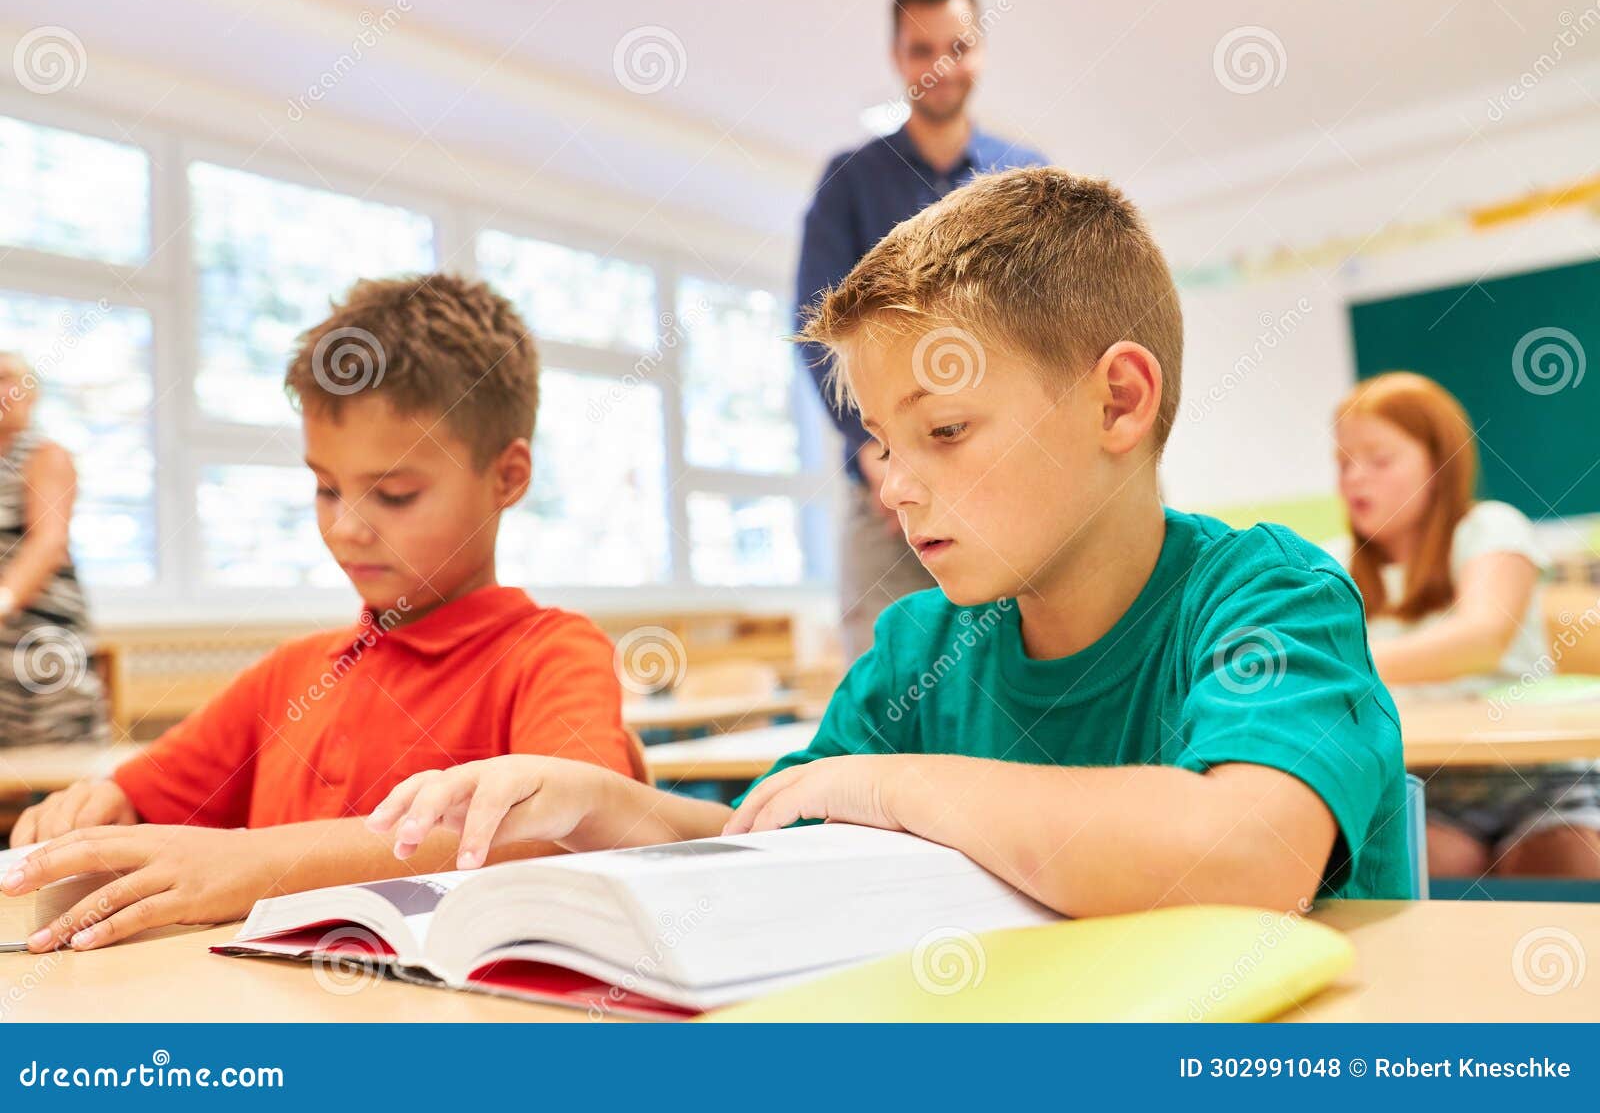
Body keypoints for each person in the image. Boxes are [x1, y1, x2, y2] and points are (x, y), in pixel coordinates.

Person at [369, 169, 1411, 912]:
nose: (896, 490)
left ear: (1118, 401)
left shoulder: (1271, 594)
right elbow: (786, 823)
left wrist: (892, 784)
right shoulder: (921, 646)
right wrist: (603, 809)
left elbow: (1241, 856)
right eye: (880, 442)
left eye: (946, 431)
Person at [2, 274, 646, 950]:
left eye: (393, 494)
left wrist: (258, 864)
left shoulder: (552, 654)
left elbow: (571, 835)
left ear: (508, 478)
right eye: (325, 488)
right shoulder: (291, 675)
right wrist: (97, 808)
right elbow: (138, 799)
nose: (345, 529)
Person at [796, 0, 1047, 657]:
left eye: (958, 47)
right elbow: (818, 331)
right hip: (882, 496)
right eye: (920, 50)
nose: (941, 65)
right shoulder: (849, 184)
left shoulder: (1025, 181)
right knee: (884, 694)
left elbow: (1049, 330)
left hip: (1002, 484)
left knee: (1017, 678)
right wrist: (879, 455)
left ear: (982, 52)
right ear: (896, 58)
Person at [1334, 371, 1600, 877]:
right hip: (1422, 782)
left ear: (1438, 464)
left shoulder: (1489, 527)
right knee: (1429, 871)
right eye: (1342, 463)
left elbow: (1481, 640)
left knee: (1565, 859)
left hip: (1537, 775)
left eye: (1379, 459)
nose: (1354, 478)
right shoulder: (1333, 562)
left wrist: (1345, 666)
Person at [0, 352, 107, 747]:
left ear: (32, 393)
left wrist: (4, 601)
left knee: (54, 772)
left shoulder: (46, 456)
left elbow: (48, 543)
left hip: (41, 642)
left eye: (6, 378)